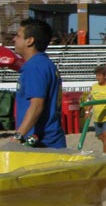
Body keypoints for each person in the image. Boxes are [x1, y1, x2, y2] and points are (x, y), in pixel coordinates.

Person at [9, 18, 66, 148]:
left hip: (41, 144)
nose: (14, 39)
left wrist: (18, 136)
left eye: (18, 36)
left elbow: (37, 105)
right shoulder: (45, 64)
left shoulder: (35, 66)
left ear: (30, 41)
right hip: (50, 141)